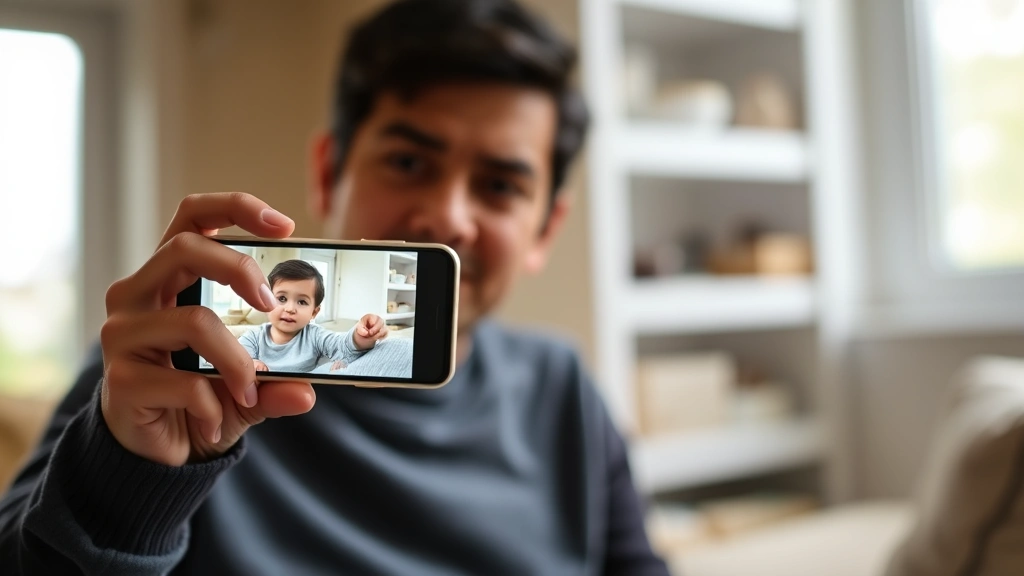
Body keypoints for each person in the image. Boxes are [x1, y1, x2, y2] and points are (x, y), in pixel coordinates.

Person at [0, 0, 672, 574]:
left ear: (545, 230)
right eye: (408, 162)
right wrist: (128, 482)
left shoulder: (565, 393)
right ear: (329, 174)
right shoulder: (167, 377)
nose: (448, 217)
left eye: (499, 186)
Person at [239, 259, 390, 373]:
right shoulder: (253, 337)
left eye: (302, 302)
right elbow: (236, 358)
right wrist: (251, 363)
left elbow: (343, 347)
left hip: (305, 396)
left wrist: (362, 334)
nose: (290, 309)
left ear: (314, 312)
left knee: (335, 368)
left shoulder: (314, 335)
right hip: (263, 395)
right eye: (282, 299)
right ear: (266, 301)